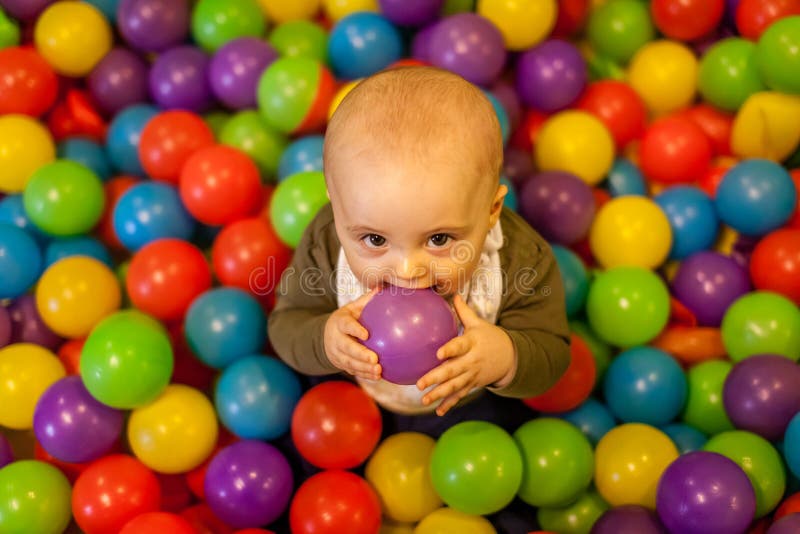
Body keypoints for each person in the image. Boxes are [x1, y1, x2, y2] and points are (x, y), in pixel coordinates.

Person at [268, 66, 570, 422]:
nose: (408, 270)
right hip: (356, 396)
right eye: (375, 239)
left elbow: (553, 353)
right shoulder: (326, 241)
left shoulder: (522, 259)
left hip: (460, 401)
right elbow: (286, 324)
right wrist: (325, 341)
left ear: (491, 210)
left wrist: (505, 357)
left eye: (439, 239)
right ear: (337, 209)